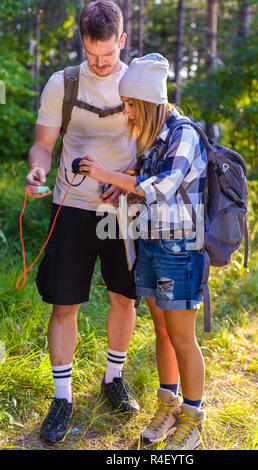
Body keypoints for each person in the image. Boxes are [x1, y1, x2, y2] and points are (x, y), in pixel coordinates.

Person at [79, 53, 207, 450]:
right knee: (163, 332)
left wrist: (105, 174)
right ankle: (168, 406)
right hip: (150, 245)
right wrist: (123, 182)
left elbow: (163, 186)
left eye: (131, 105)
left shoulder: (183, 133)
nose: (127, 113)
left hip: (180, 249)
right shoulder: (154, 137)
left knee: (183, 336)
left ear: (148, 102)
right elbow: (144, 177)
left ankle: (193, 417)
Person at [26, 1, 140, 444]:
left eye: (107, 55)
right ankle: (62, 397)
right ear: (83, 43)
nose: (99, 63)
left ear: (122, 41)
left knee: (123, 297)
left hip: (120, 208)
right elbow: (42, 144)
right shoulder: (63, 84)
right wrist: (37, 167)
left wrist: (127, 180)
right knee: (65, 303)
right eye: (92, 54)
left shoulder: (139, 85)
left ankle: (113, 379)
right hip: (71, 206)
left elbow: (154, 151)